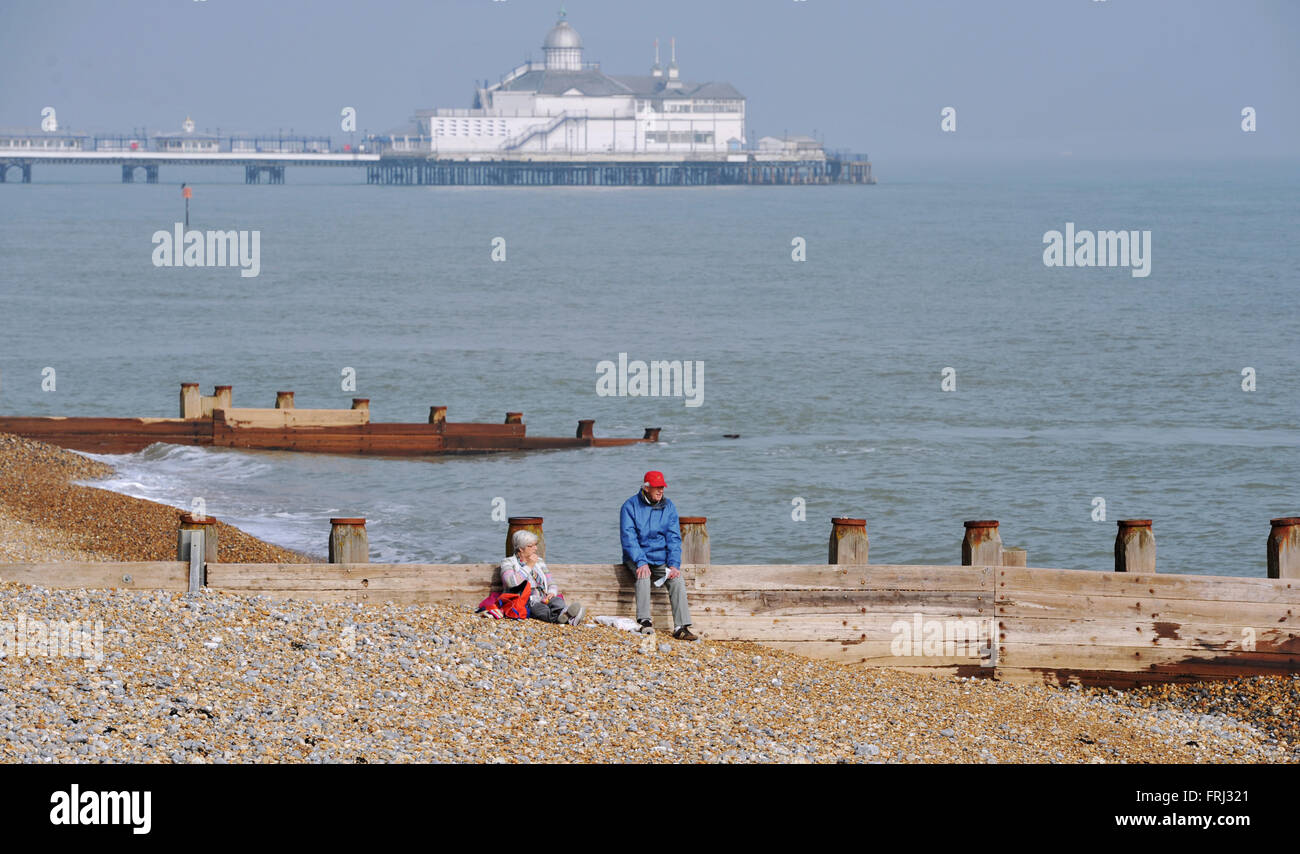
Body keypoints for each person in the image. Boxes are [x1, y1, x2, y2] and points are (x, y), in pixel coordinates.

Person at [619, 470, 696, 640]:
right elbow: (628, 538)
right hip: (636, 557)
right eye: (656, 488)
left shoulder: (669, 507)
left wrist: (674, 564)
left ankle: (681, 627)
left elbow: (674, 538)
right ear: (646, 487)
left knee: (677, 579)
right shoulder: (629, 506)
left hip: (661, 559)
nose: (660, 491)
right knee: (644, 575)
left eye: (662, 487)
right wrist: (640, 561)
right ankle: (645, 622)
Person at [499, 530, 585, 626]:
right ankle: (569, 618)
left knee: (558, 601)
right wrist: (529, 566)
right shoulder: (508, 562)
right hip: (526, 601)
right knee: (541, 610)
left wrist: (552, 592)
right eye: (530, 546)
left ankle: (565, 615)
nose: (535, 548)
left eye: (535, 545)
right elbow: (510, 582)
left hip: (544, 596)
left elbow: (550, 581)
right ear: (521, 549)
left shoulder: (539, 561)